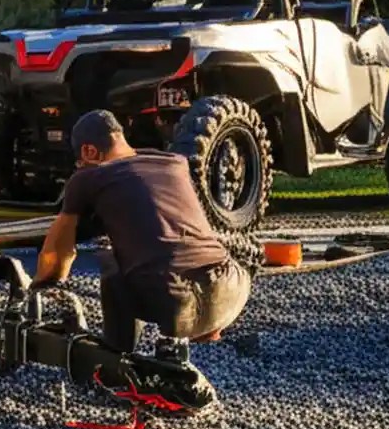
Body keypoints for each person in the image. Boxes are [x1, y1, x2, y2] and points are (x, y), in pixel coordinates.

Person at [30, 110, 252, 353]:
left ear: (89, 152)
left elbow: (58, 254)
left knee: (111, 257)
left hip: (178, 304)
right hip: (232, 291)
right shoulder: (174, 163)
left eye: (79, 162)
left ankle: (116, 361)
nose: (80, 167)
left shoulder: (89, 177)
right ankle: (202, 329)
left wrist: (43, 283)